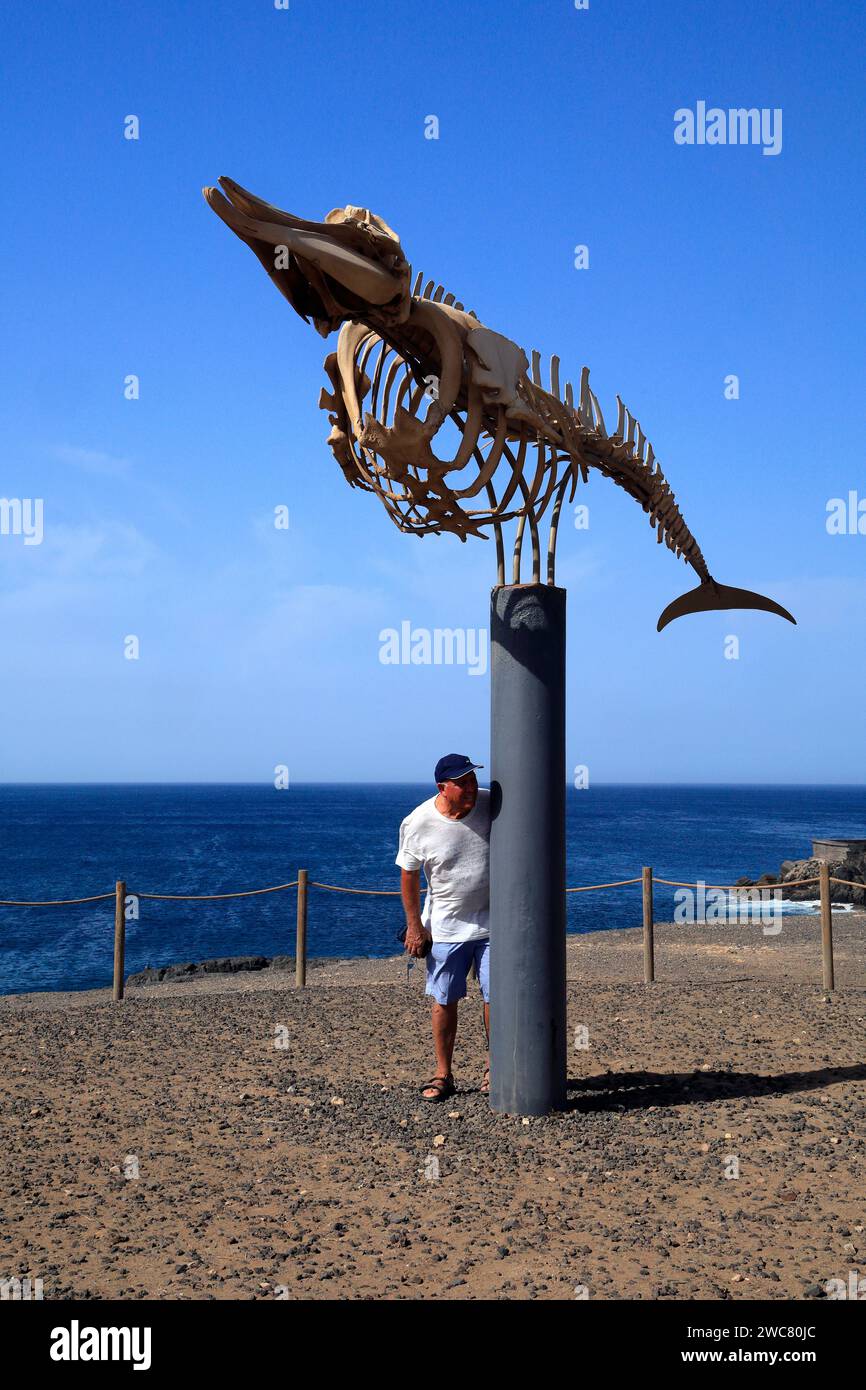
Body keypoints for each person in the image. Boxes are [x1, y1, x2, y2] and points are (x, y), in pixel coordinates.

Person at [396, 753, 490, 1102]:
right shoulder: (418, 822)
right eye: (462, 783)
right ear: (442, 787)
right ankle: (443, 1074)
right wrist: (414, 928)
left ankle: (493, 1068)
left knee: (496, 997)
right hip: (447, 927)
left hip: (493, 925)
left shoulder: (488, 803)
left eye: (472, 780)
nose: (471, 788)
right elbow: (407, 876)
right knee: (444, 999)